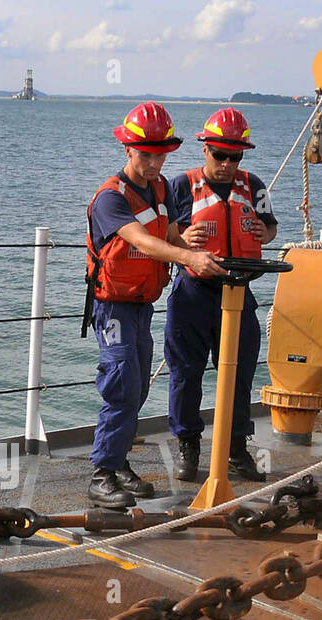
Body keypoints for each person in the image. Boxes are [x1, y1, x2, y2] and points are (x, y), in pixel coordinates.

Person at [84, 102, 224, 508]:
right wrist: (189, 259)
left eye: (160, 154)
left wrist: (188, 242)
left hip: (142, 305)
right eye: (145, 154)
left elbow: (169, 233)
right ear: (128, 150)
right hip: (113, 309)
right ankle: (102, 474)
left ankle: (118, 460)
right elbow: (141, 241)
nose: (153, 162)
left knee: (139, 385)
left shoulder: (160, 188)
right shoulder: (111, 198)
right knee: (122, 385)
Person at [164, 108, 277, 483]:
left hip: (239, 293)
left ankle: (234, 446)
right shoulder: (181, 186)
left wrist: (263, 233)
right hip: (193, 294)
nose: (228, 164)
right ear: (205, 150)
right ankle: (188, 444)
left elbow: (271, 229)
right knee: (185, 374)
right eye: (220, 155)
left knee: (240, 374)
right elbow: (164, 236)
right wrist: (183, 240)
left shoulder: (254, 186)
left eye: (236, 156)